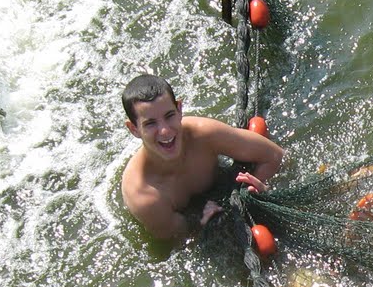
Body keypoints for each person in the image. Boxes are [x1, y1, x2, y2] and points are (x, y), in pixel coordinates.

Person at [119, 74, 285, 240]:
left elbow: (275, 155)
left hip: (224, 182)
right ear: (134, 129)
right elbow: (180, 241)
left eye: (169, 116)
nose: (165, 131)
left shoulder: (203, 134)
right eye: (150, 123)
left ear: (179, 109)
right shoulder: (144, 195)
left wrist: (259, 188)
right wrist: (206, 226)